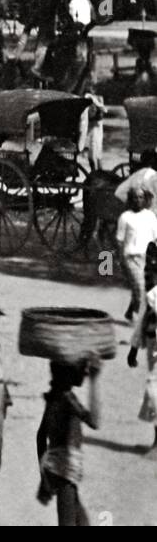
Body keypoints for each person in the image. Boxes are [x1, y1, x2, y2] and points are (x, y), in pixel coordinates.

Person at [36, 356, 102, 526]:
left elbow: (41, 436)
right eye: (83, 368)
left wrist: (44, 475)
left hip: (58, 470)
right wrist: (95, 380)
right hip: (65, 472)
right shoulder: (67, 399)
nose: (86, 372)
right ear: (69, 373)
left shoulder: (55, 397)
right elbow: (95, 421)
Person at [126, 243, 157, 451]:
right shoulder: (125, 218)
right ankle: (104, 270)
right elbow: (116, 243)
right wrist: (135, 347)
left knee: (153, 387)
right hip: (131, 258)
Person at [116, 188, 157, 321]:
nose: (138, 200)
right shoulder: (125, 217)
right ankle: (144, 322)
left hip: (148, 257)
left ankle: (130, 312)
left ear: (145, 199)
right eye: (135, 197)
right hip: (131, 258)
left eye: (141, 197)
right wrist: (121, 259)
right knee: (140, 288)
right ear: (130, 199)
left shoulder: (150, 216)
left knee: (147, 288)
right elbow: (120, 240)